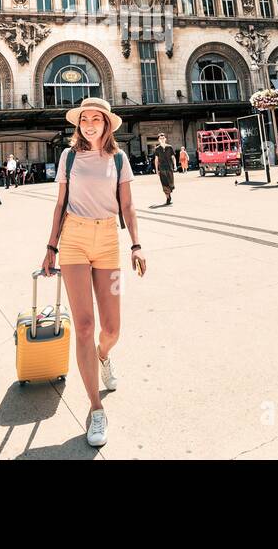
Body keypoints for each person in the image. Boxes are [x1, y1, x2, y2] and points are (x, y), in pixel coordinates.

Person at [41, 97, 146, 448]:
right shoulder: (68, 157)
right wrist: (51, 246)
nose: (88, 124)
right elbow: (59, 203)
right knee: (84, 326)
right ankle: (95, 408)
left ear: (106, 124)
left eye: (95, 119)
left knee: (112, 328)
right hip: (73, 241)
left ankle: (104, 355)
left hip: (108, 243)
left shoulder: (118, 158)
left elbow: (128, 205)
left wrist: (136, 244)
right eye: (83, 119)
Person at [152, 133, 177, 206]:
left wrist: (175, 165)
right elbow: (156, 160)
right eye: (160, 138)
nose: (162, 139)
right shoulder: (157, 149)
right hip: (162, 168)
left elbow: (173, 157)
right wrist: (156, 169)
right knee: (164, 184)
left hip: (169, 167)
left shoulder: (170, 147)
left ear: (165, 139)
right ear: (158, 140)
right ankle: (168, 198)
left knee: (171, 184)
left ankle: (169, 192)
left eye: (163, 138)